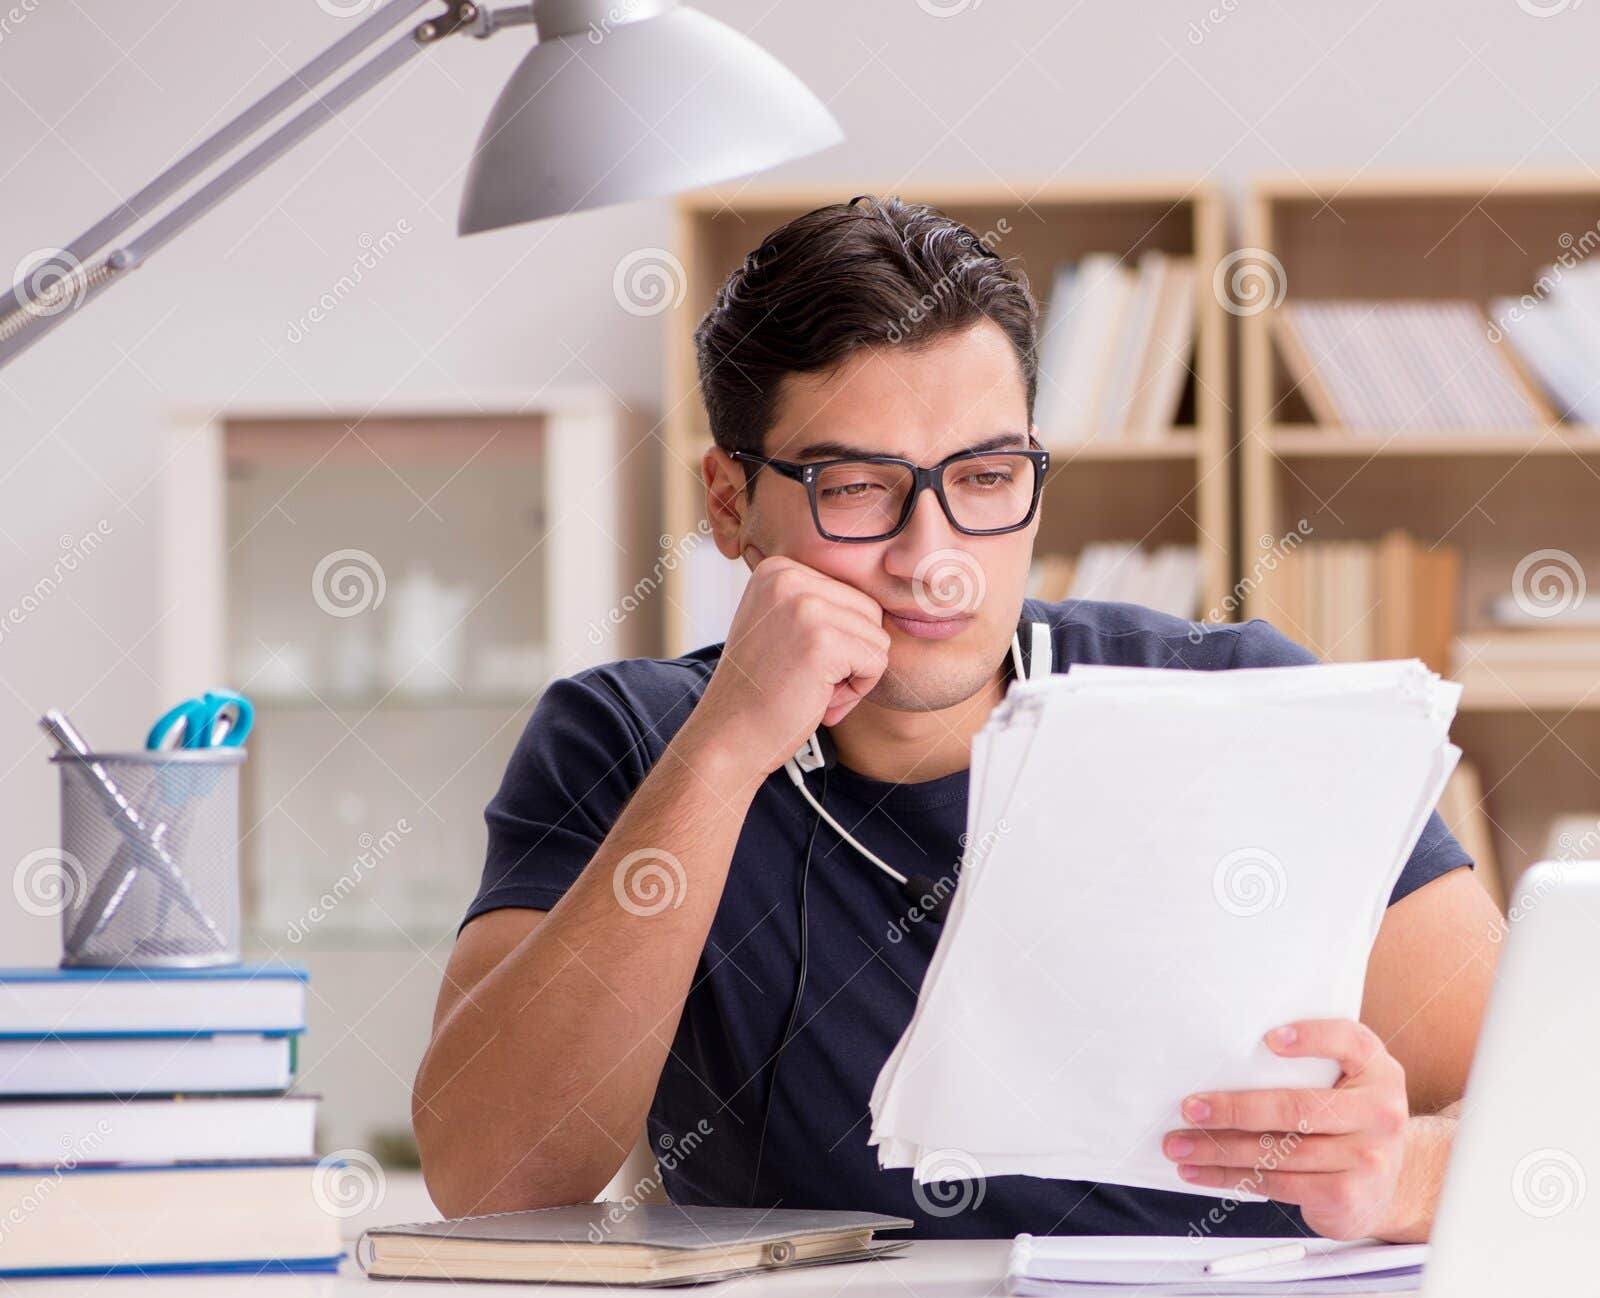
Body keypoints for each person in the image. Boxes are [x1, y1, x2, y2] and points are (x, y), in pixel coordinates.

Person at [413, 195, 1503, 1241]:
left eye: (984, 477)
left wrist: (1398, 1171)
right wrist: (724, 750)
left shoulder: (1241, 702)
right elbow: (495, 1180)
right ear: (731, 503)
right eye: (856, 486)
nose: (931, 560)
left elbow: (1554, 1117)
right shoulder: (628, 738)